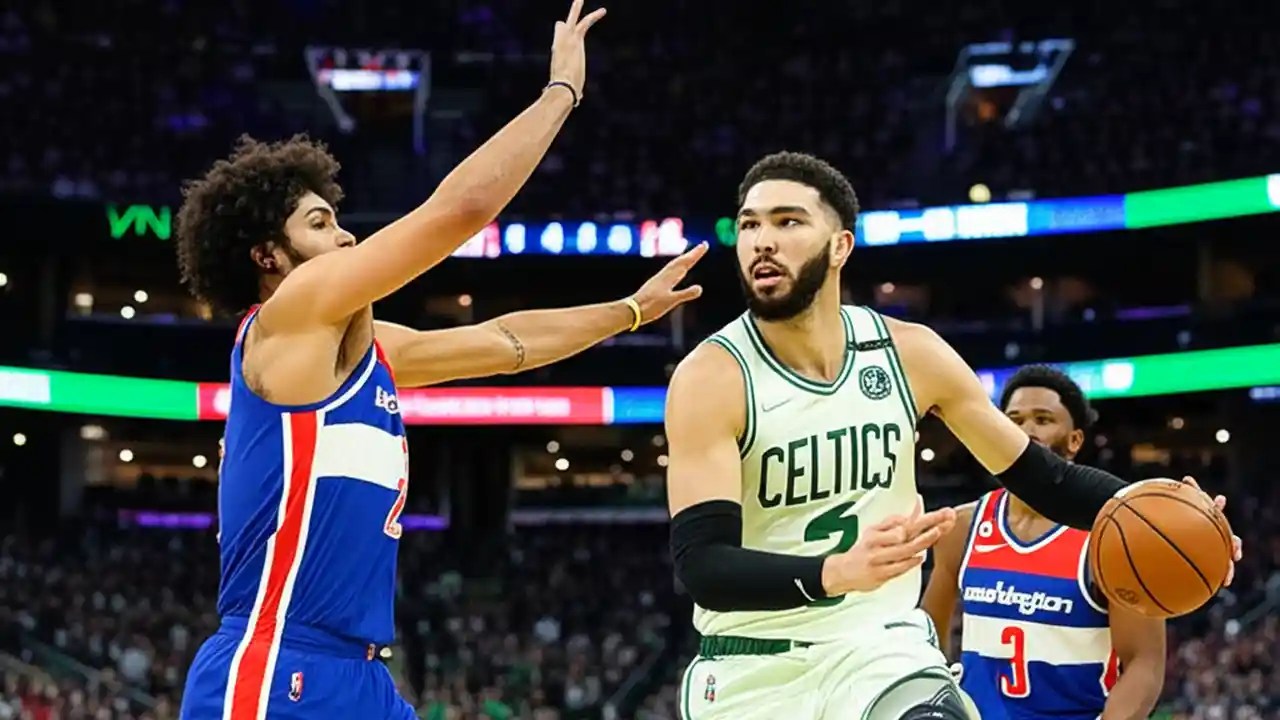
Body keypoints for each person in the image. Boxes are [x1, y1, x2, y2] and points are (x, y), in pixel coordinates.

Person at [173, 3, 702, 718]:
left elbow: (506, 345)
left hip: (360, 675)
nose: (346, 236)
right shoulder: (289, 316)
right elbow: (460, 211)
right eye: (320, 224)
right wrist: (562, 93)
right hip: (274, 668)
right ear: (268, 256)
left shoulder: (366, 352)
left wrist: (631, 310)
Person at [663, 151, 1240, 720]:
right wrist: (834, 572)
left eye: (788, 221)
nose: (763, 241)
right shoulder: (711, 378)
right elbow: (703, 566)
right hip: (753, 665)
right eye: (750, 225)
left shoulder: (909, 352)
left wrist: (1156, 508)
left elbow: (1043, 478)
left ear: (840, 246)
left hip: (878, 648)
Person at [920, 365, 1165, 720]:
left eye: (1043, 419)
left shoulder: (1113, 539)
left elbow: (1145, 663)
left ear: (1075, 440)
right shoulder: (962, 526)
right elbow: (927, 638)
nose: (1026, 431)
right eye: (1014, 420)